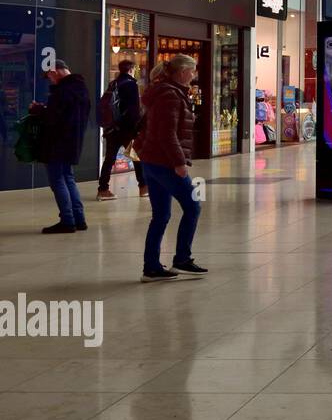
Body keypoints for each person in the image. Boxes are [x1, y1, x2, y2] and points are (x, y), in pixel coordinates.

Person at [134, 53, 206, 281]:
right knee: (192, 206)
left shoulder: (164, 92)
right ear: (183, 72)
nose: (194, 75)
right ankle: (182, 259)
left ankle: (152, 266)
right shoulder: (170, 96)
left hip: (152, 161)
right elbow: (167, 134)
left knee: (161, 214)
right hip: (165, 162)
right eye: (192, 70)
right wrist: (179, 163)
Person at [29, 60, 92, 234]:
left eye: (49, 76)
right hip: (73, 141)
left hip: (57, 143)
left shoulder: (62, 91)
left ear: (55, 71)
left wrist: (38, 110)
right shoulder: (82, 89)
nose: (50, 80)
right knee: (68, 178)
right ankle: (79, 219)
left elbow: (52, 118)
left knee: (57, 180)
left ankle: (67, 220)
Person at [97, 60, 148, 200]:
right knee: (136, 158)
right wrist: (136, 129)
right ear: (131, 69)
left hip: (112, 129)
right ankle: (143, 187)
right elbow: (134, 110)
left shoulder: (113, 83)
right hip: (127, 130)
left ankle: (103, 189)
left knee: (109, 160)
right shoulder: (131, 84)